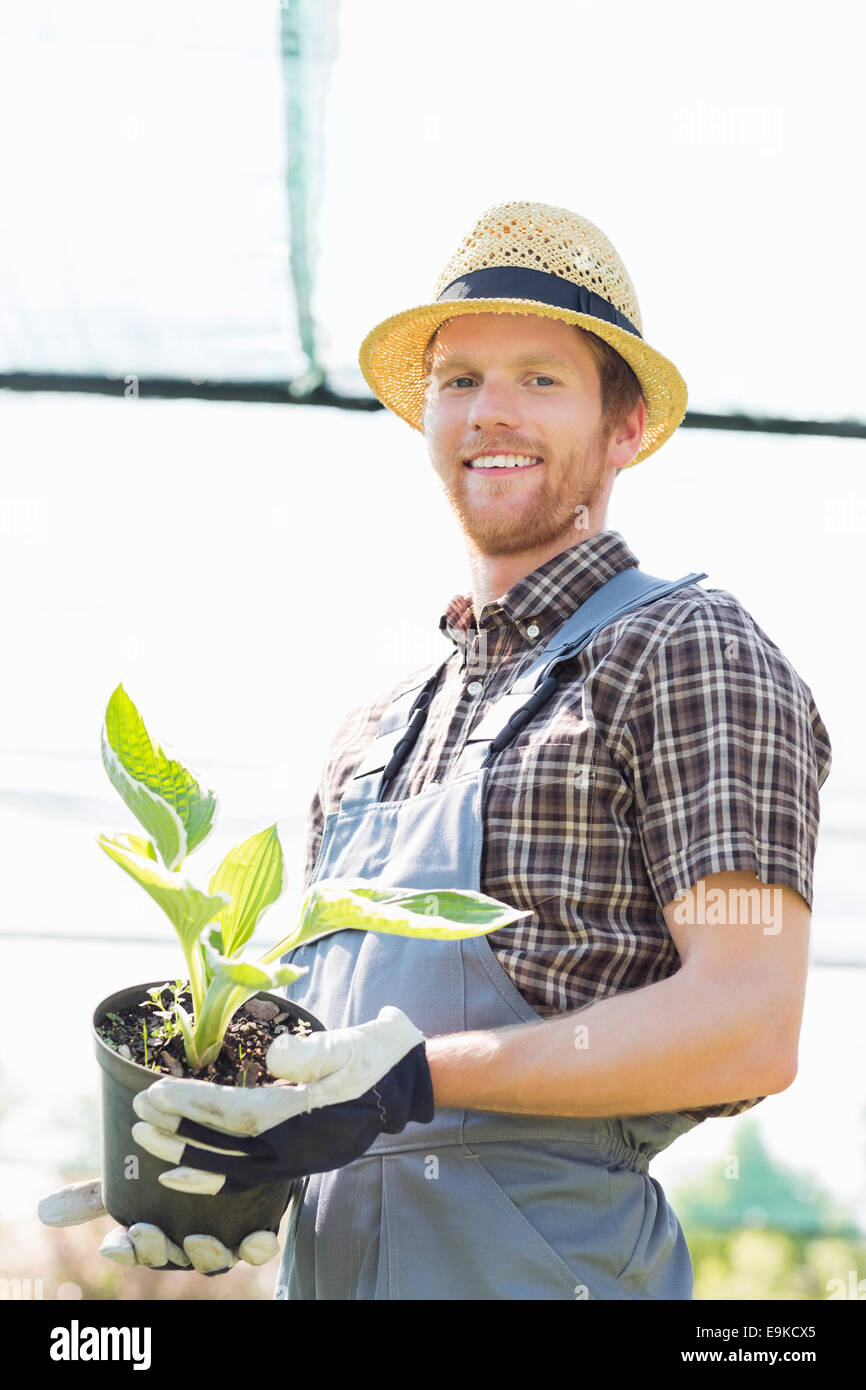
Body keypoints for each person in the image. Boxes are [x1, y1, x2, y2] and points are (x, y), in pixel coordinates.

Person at [40, 200, 832, 1299]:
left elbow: (747, 1023)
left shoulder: (679, 650)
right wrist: (211, 1172)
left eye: (538, 379)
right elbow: (327, 1085)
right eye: (457, 379)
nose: (487, 412)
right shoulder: (370, 737)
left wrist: (411, 1079)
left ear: (625, 427)